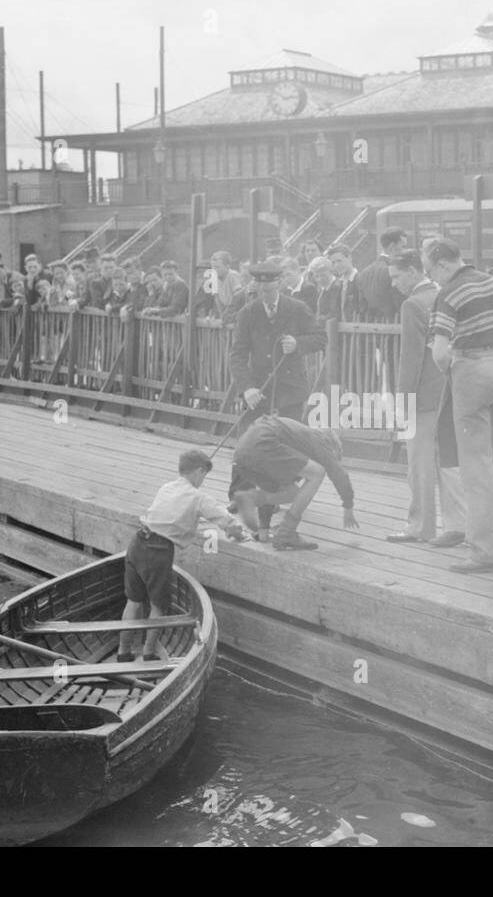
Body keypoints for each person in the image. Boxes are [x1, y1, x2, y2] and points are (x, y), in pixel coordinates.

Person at [426, 237, 493, 574]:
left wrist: (455, 369)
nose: (433, 278)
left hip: (472, 369)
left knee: (475, 465)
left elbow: (439, 351)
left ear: (442, 265)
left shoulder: (448, 293)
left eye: (431, 271)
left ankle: (485, 552)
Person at [118, 449, 245, 662]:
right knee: (158, 605)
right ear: (198, 471)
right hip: (158, 551)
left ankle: (123, 652)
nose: (203, 480)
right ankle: (149, 652)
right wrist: (239, 533)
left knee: (134, 601)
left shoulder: (166, 487)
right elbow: (225, 521)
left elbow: (173, 514)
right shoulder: (198, 497)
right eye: (204, 475)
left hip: (137, 543)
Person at [388, 249, 466, 546]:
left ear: (412, 271)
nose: (394, 283)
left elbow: (411, 359)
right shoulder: (445, 294)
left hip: (420, 397)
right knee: (449, 460)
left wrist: (402, 400)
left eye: (396, 276)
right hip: (450, 391)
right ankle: (457, 524)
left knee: (418, 464)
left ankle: (420, 527)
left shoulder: (412, 305)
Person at [228, 415, 358, 551]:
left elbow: (270, 487)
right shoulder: (320, 439)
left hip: (243, 451)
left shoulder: (295, 442)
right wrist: (348, 505)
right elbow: (338, 473)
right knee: (317, 472)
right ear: (333, 448)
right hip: (265, 442)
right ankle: (287, 532)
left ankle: (252, 498)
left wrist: (263, 530)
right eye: (332, 457)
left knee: (292, 492)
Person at [228, 260, 327, 430]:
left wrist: (298, 344)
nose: (264, 293)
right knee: (252, 443)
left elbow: (320, 338)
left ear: (279, 283)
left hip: (290, 389)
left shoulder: (297, 308)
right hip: (259, 390)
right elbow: (237, 355)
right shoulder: (247, 313)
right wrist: (247, 388)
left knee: (290, 442)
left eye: (268, 289)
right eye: (260, 288)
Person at [355, 226, 407, 321]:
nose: (405, 251)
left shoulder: (363, 273)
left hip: (372, 329)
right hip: (395, 327)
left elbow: (362, 307)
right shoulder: (395, 271)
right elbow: (400, 304)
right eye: (403, 247)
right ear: (392, 247)